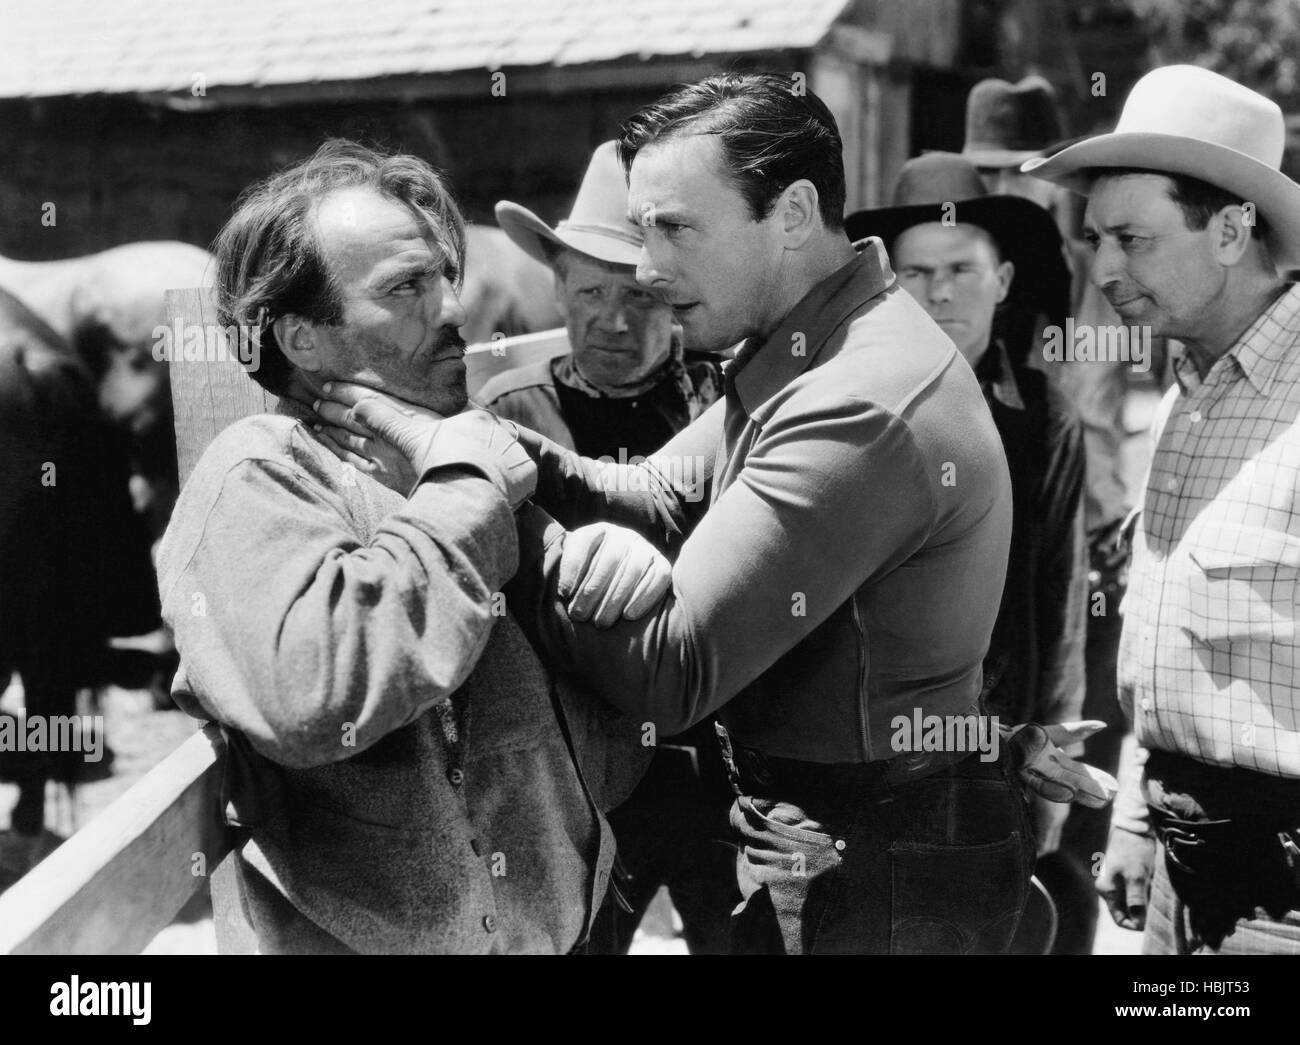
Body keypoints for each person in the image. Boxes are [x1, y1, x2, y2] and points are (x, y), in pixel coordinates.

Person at [318, 74, 1113, 955]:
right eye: (642, 227)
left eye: (675, 228)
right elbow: (659, 493)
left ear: (794, 212)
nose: (649, 272)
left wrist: (478, 488)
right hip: (844, 831)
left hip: (882, 861)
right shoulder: (815, 340)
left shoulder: (857, 399)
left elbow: (668, 670)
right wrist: (478, 439)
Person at [156, 139, 669, 954]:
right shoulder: (259, 476)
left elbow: (595, 733)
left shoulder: (461, 450)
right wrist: (469, 485)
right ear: (301, 338)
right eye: (405, 288)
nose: (457, 311)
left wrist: (609, 562)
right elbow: (322, 691)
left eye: (444, 279)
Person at [1026, 64, 1300, 953]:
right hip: (1181, 885)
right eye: (1095, 239)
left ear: (1229, 230)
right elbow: (1166, 637)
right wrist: (1139, 825)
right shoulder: (1188, 385)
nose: (1102, 269)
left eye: (1132, 240)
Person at [482, 141, 735, 953]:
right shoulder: (507, 417)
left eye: (639, 296)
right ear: (556, 286)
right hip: (577, 777)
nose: (613, 321)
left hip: (717, 763)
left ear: (675, 296)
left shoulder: (729, 409)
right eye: (590, 291)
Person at [964, 75, 1140, 951]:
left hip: (1098, 556)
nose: (1005, 193)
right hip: (1008, 557)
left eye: (1020, 174)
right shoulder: (979, 281)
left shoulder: (1104, 278)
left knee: (1073, 793)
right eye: (986, 175)